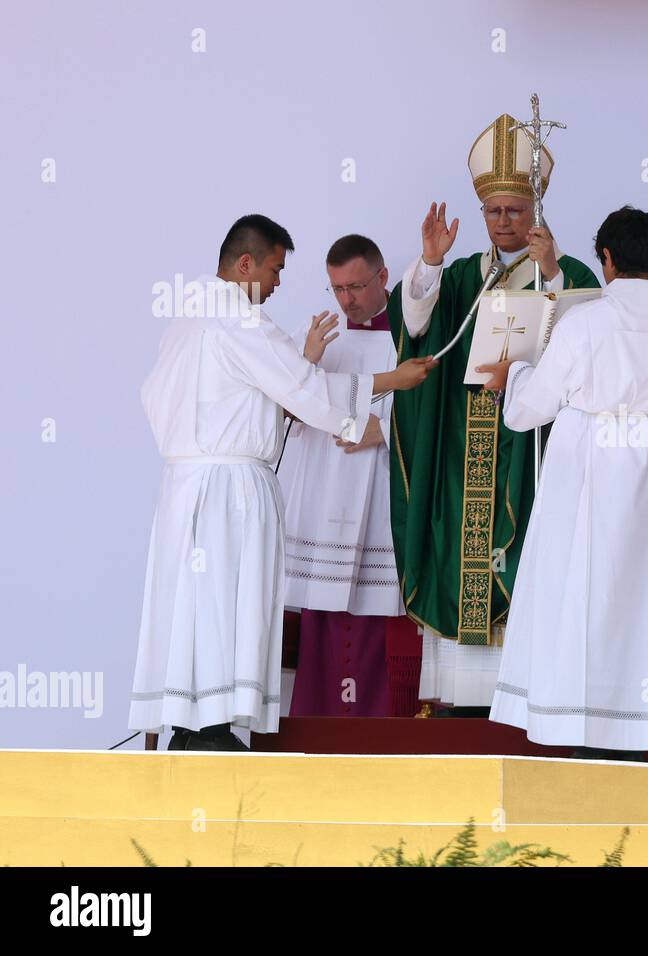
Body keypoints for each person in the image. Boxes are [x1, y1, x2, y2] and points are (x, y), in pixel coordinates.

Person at [130, 214, 433, 751]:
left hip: (185, 486)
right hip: (228, 488)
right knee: (227, 601)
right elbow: (308, 392)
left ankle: (191, 726)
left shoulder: (189, 319)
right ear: (245, 263)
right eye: (274, 269)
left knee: (194, 607)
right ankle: (213, 732)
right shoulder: (238, 319)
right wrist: (394, 380)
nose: (277, 284)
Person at [388, 113, 600, 715]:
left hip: (532, 449)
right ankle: (461, 701)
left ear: (536, 210)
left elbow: (590, 342)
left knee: (530, 548)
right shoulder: (460, 277)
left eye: (514, 210)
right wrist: (428, 264)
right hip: (462, 445)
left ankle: (528, 699)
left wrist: (553, 274)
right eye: (493, 212)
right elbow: (418, 325)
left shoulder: (569, 273)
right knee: (461, 550)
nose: (503, 222)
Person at [478, 206, 648, 753]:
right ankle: (637, 723)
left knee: (580, 588)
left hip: (590, 472)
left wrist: (515, 375)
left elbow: (529, 410)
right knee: (643, 593)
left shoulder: (586, 324)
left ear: (606, 259)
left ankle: (576, 726)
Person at [277, 234, 421, 717]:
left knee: (374, 619)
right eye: (336, 288)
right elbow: (280, 411)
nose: (346, 300)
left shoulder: (412, 333)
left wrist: (387, 431)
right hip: (323, 492)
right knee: (323, 611)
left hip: (379, 492)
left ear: (383, 278)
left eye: (356, 287)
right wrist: (306, 361)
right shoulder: (317, 332)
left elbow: (437, 415)